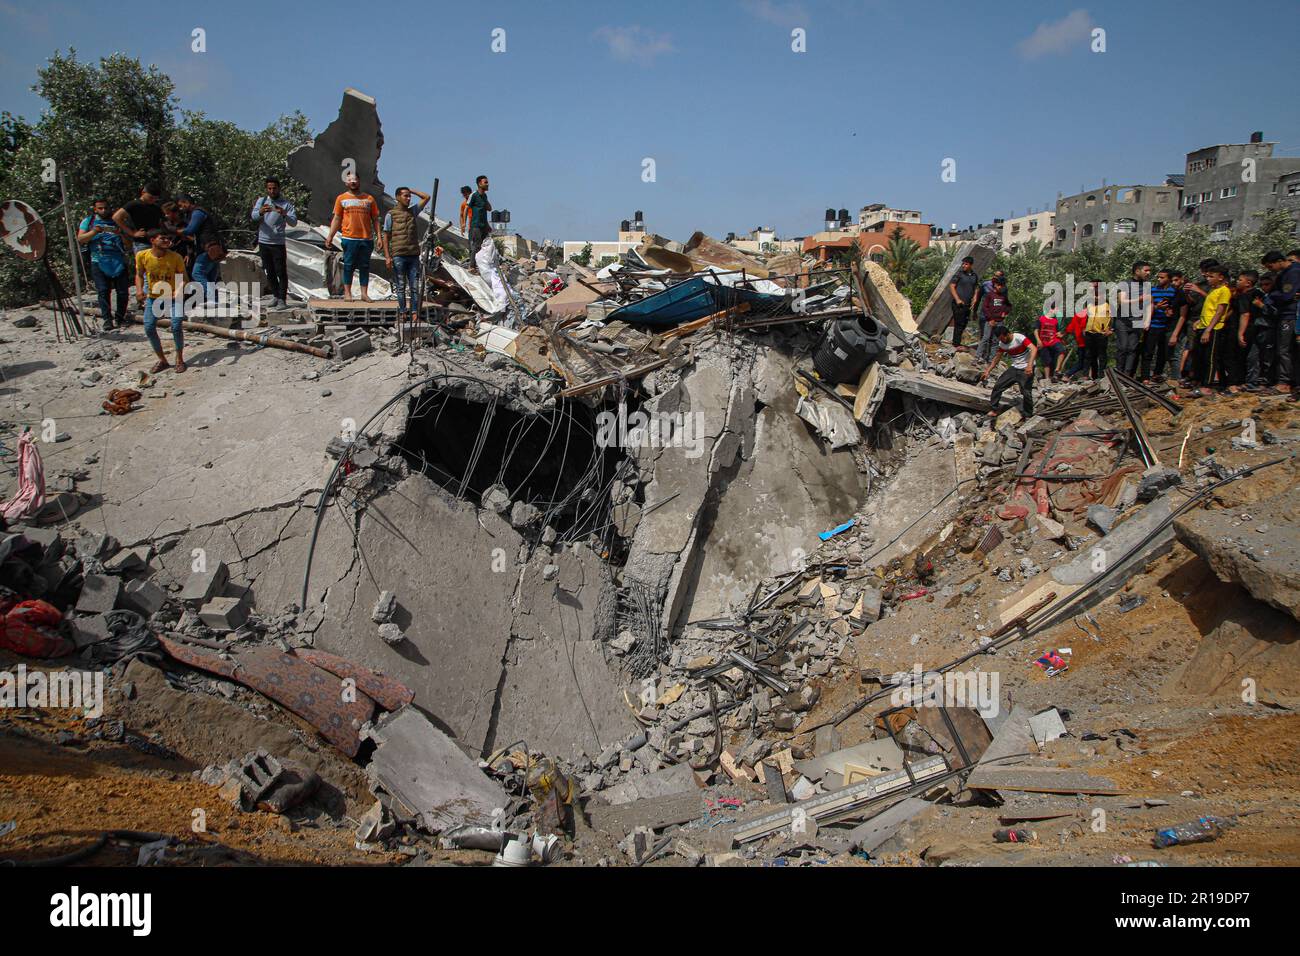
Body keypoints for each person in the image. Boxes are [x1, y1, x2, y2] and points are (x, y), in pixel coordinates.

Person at [133, 230, 188, 374]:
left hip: (173, 297)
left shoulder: (175, 257)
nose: (166, 241)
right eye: (162, 238)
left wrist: (178, 290)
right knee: (149, 327)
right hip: (153, 297)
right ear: (152, 240)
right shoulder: (142, 256)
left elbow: (184, 278)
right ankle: (162, 360)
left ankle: (179, 359)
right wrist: (139, 291)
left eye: (168, 238)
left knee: (176, 326)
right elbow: (139, 275)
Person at [325, 173, 381, 301]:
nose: (353, 182)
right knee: (348, 265)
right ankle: (347, 293)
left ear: (359, 181)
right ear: (346, 183)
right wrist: (330, 236)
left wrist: (379, 236)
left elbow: (375, 219)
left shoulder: (369, 199)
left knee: (365, 266)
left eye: (355, 179)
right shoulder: (341, 198)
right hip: (349, 238)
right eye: (350, 180)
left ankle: (364, 294)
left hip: (366, 238)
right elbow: (337, 218)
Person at [77, 198, 129, 331]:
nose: (104, 210)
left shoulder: (117, 220)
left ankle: (120, 317)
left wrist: (120, 234)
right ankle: (107, 319)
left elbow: (129, 243)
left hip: (118, 259)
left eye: (106, 208)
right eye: (100, 208)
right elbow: (81, 239)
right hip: (98, 260)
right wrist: (94, 231)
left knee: (122, 291)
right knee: (103, 290)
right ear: (95, 209)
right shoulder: (88, 222)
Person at [382, 185, 431, 322]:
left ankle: (414, 313)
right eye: (405, 196)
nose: (408, 198)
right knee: (401, 287)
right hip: (398, 255)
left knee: (415, 287)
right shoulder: (391, 214)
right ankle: (403, 312)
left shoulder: (412, 211)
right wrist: (387, 256)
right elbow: (386, 235)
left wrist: (412, 190)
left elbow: (426, 197)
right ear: (398, 197)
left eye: (409, 196)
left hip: (413, 255)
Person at [251, 178, 297, 309]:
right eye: (269, 188)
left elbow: (293, 222)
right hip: (263, 241)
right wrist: (261, 212)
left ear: (279, 188)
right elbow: (253, 216)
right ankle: (276, 295)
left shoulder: (286, 204)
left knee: (280, 271)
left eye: (274, 188)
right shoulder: (262, 201)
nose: (272, 191)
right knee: (269, 271)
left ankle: (282, 299)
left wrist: (284, 214)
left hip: (278, 243)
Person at [174, 194, 226, 301]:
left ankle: (212, 296)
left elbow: (190, 230)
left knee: (197, 273)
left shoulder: (198, 212)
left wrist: (176, 231)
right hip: (212, 247)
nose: (180, 208)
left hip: (208, 248)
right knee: (210, 276)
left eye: (180, 205)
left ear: (186, 202)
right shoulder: (199, 212)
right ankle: (214, 300)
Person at [1262, 250, 1300, 395]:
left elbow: (1287, 295)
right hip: (1285, 314)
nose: (1270, 270)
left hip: (1291, 315)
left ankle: (1285, 382)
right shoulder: (1283, 274)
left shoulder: (1293, 272)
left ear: (1279, 261)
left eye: (1270, 266)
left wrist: (1272, 296)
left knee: (1285, 350)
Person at [1191, 264, 1232, 389]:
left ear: (1220, 277)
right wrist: (1200, 321)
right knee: (1200, 356)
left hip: (1214, 328)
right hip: (1203, 326)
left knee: (1210, 357)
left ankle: (1207, 385)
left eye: (1211, 276)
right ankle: (1198, 381)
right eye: (1207, 276)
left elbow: (1219, 312)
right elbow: (1210, 309)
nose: (1208, 279)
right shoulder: (1213, 290)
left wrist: (1208, 330)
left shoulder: (1224, 291)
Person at [981, 325, 1037, 418]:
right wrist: (988, 371)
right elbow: (997, 358)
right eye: (1000, 339)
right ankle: (994, 409)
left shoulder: (1019, 338)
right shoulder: (1002, 344)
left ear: (1007, 334)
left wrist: (1030, 365)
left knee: (1026, 391)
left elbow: (1034, 349)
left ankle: (1028, 414)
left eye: (1002, 338)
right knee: (998, 386)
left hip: (1026, 367)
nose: (1002, 341)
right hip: (1015, 367)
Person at [1233, 269, 1273, 392]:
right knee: (1257, 356)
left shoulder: (1246, 296)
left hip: (1256, 329)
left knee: (1254, 357)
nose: (1237, 282)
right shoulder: (1259, 294)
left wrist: (1240, 333)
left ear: (1248, 283)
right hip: (1262, 328)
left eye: (1240, 280)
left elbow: (1245, 314)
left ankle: (1256, 382)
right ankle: (1254, 381)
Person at [1114, 260, 1150, 376]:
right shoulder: (1125, 284)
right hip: (1123, 321)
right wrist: (1139, 299)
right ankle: (1118, 373)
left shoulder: (1146, 285)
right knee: (1123, 347)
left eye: (1149, 270)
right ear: (1137, 271)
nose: (1148, 273)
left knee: (1133, 349)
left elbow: (1149, 304)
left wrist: (1147, 320)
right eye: (1146, 270)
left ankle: (1127, 375)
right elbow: (1122, 301)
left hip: (1137, 320)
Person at [1141, 269, 1177, 382]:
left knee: (1163, 352)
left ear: (1169, 279)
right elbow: (1146, 307)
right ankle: (1145, 376)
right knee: (1148, 352)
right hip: (1153, 325)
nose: (1159, 279)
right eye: (1158, 277)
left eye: (1162, 277)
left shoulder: (1174, 292)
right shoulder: (1152, 290)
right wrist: (1157, 307)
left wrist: (1170, 311)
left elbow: (1177, 307)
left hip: (1166, 326)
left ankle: (1157, 374)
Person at [113, 184, 165, 254]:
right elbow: (116, 217)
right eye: (151, 197)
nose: (153, 200)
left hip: (157, 243)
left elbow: (161, 223)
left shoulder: (156, 207)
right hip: (142, 244)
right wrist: (132, 233)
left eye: (156, 198)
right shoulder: (133, 205)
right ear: (143, 193)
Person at [975, 275, 1011, 362]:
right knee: (986, 338)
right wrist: (990, 319)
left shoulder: (1003, 296)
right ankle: (978, 356)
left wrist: (1005, 312)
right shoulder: (990, 295)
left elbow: (1009, 306)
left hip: (1000, 321)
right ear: (995, 285)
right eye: (999, 285)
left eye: (1002, 286)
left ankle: (991, 359)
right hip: (990, 321)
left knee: (995, 340)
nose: (1000, 287)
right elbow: (985, 307)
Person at [947, 255, 980, 347]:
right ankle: (956, 344)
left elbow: (976, 287)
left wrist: (975, 297)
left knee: (964, 323)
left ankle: (957, 342)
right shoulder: (959, 274)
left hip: (967, 304)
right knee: (959, 323)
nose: (964, 266)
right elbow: (952, 286)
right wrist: (957, 299)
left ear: (971, 265)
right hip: (958, 304)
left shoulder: (974, 276)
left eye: (966, 264)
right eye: (963, 264)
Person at [1083, 282, 1112, 380]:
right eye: (1094, 295)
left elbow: (1114, 318)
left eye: (1098, 295)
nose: (1096, 297)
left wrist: (1111, 329)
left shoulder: (1107, 304)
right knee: (1089, 355)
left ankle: (1101, 375)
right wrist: (1084, 328)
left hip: (1102, 333)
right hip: (1089, 333)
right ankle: (1088, 375)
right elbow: (1085, 317)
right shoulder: (1089, 304)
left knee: (1102, 355)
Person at [467, 174, 492, 273]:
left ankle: (481, 265)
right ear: (479, 184)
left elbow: (489, 209)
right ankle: (472, 266)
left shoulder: (484, 196)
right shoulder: (474, 195)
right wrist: (463, 223)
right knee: (476, 246)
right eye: (485, 182)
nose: (487, 184)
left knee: (485, 246)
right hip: (476, 225)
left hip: (483, 225)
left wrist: (487, 225)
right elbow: (466, 209)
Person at [1034, 308, 1066, 382]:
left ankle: (1057, 370)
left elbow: (1057, 332)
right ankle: (1047, 379)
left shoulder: (1055, 321)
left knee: (1062, 350)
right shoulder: (1041, 319)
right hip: (1043, 342)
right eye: (1055, 310)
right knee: (1046, 361)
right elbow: (1036, 331)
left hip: (1053, 340)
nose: (1056, 312)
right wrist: (1038, 341)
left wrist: (1062, 339)